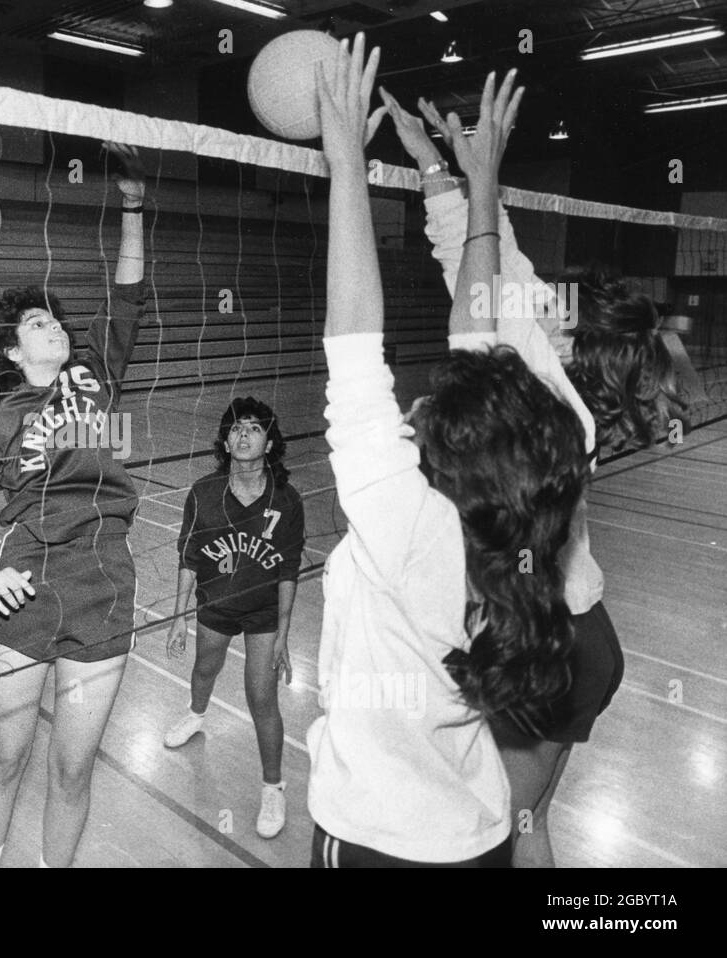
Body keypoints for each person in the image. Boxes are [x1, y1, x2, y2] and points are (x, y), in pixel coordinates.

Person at [307, 37, 589, 866]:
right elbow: (476, 334)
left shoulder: (411, 526)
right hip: (479, 836)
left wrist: (345, 167)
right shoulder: (515, 522)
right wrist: (474, 178)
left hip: (373, 842)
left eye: (435, 403)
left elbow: (353, 346)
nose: (424, 397)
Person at [382, 83, 653, 866]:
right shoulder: (553, 373)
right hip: (575, 640)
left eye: (556, 302)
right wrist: (439, 163)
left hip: (552, 647)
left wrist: (484, 172)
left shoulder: (544, 396)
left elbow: (477, 301)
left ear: (568, 338)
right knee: (522, 827)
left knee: (490, 833)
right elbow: (481, 253)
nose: (539, 293)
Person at [0, 143, 146, 868]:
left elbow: (127, 292)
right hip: (25, 587)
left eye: (53, 319)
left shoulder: (96, 375)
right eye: (34, 324)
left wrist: (131, 204)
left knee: (72, 769)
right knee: (4, 759)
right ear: (10, 351)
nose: (52, 326)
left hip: (104, 585)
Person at [163, 397, 304, 839]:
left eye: (254, 428)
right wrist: (178, 616)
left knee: (261, 697)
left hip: (263, 611)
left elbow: (288, 570)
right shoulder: (204, 493)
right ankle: (195, 713)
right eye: (236, 428)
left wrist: (282, 634)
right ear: (226, 441)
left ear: (269, 442)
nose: (244, 435)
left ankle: (272, 786)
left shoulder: (287, 499)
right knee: (205, 668)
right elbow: (188, 557)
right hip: (214, 603)